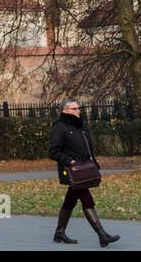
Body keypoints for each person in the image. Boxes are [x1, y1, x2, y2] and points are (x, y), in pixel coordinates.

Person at [49, 99, 120, 247]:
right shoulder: (59, 127)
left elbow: (89, 148)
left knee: (70, 199)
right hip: (72, 170)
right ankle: (102, 235)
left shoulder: (80, 126)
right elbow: (54, 151)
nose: (78, 110)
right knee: (85, 197)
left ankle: (59, 232)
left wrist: (94, 162)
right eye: (74, 108)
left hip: (85, 168)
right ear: (65, 110)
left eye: (78, 108)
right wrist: (70, 161)